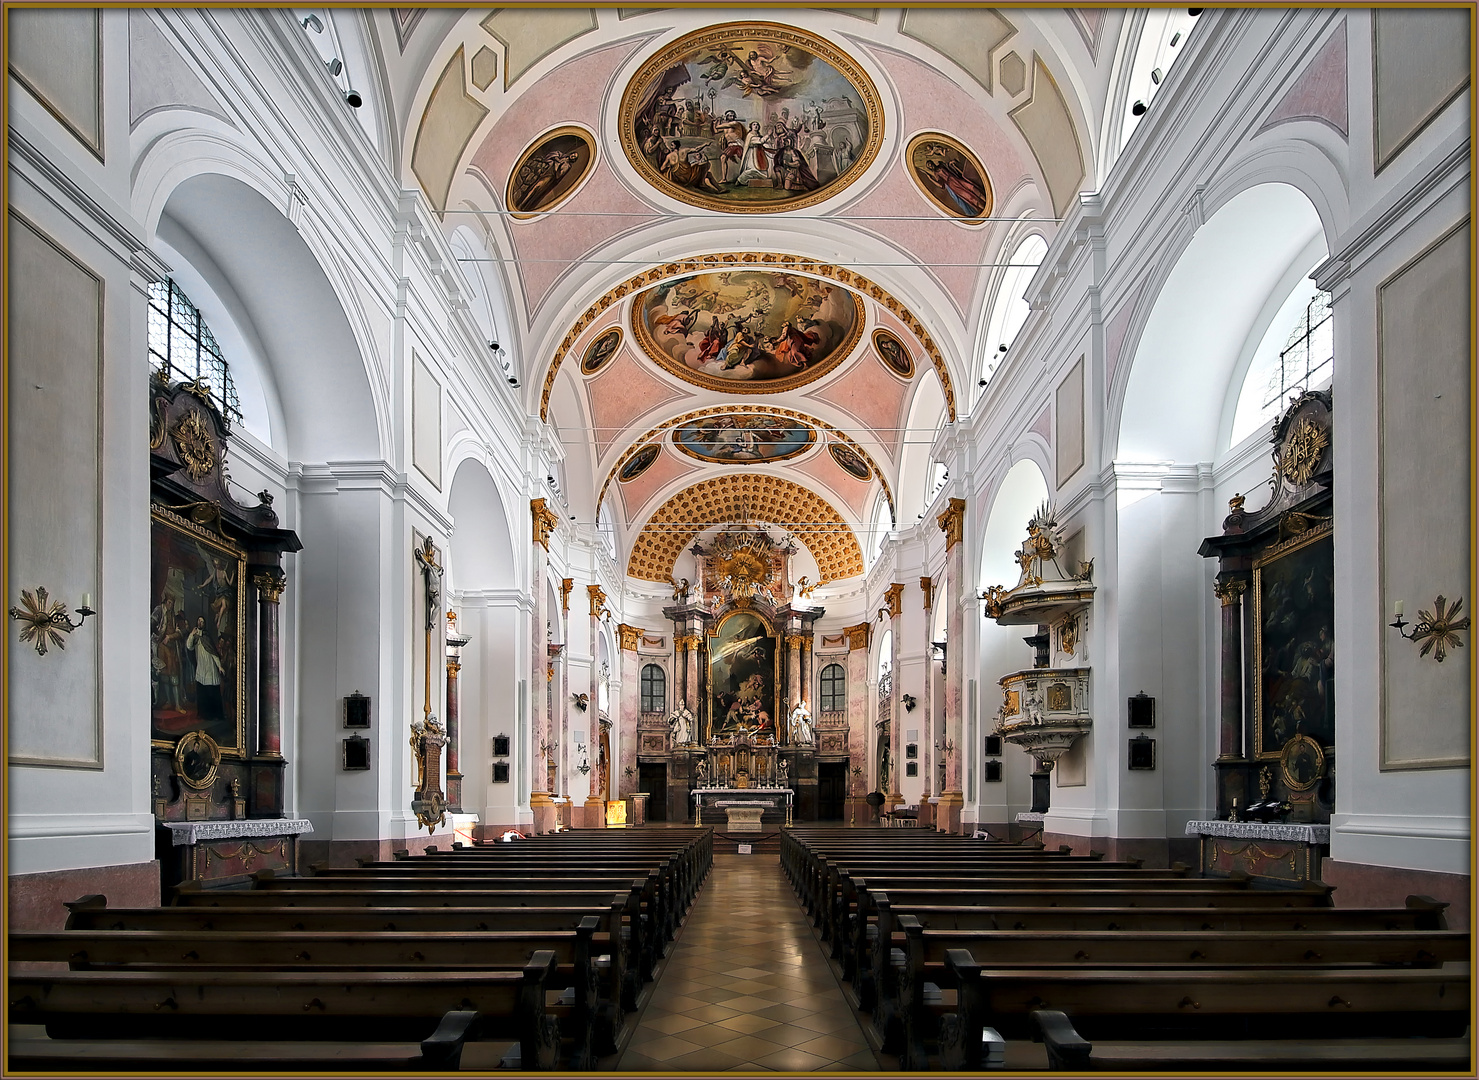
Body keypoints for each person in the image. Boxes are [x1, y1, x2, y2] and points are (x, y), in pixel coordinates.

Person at [185, 617, 225, 724]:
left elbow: (214, 653)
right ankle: (203, 714)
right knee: (202, 692)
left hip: (210, 668)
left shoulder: (207, 636)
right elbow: (189, 646)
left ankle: (215, 715)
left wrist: (219, 666)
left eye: (202, 621)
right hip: (201, 668)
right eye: (199, 621)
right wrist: (192, 634)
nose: (200, 623)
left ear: (204, 624)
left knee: (212, 692)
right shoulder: (195, 637)